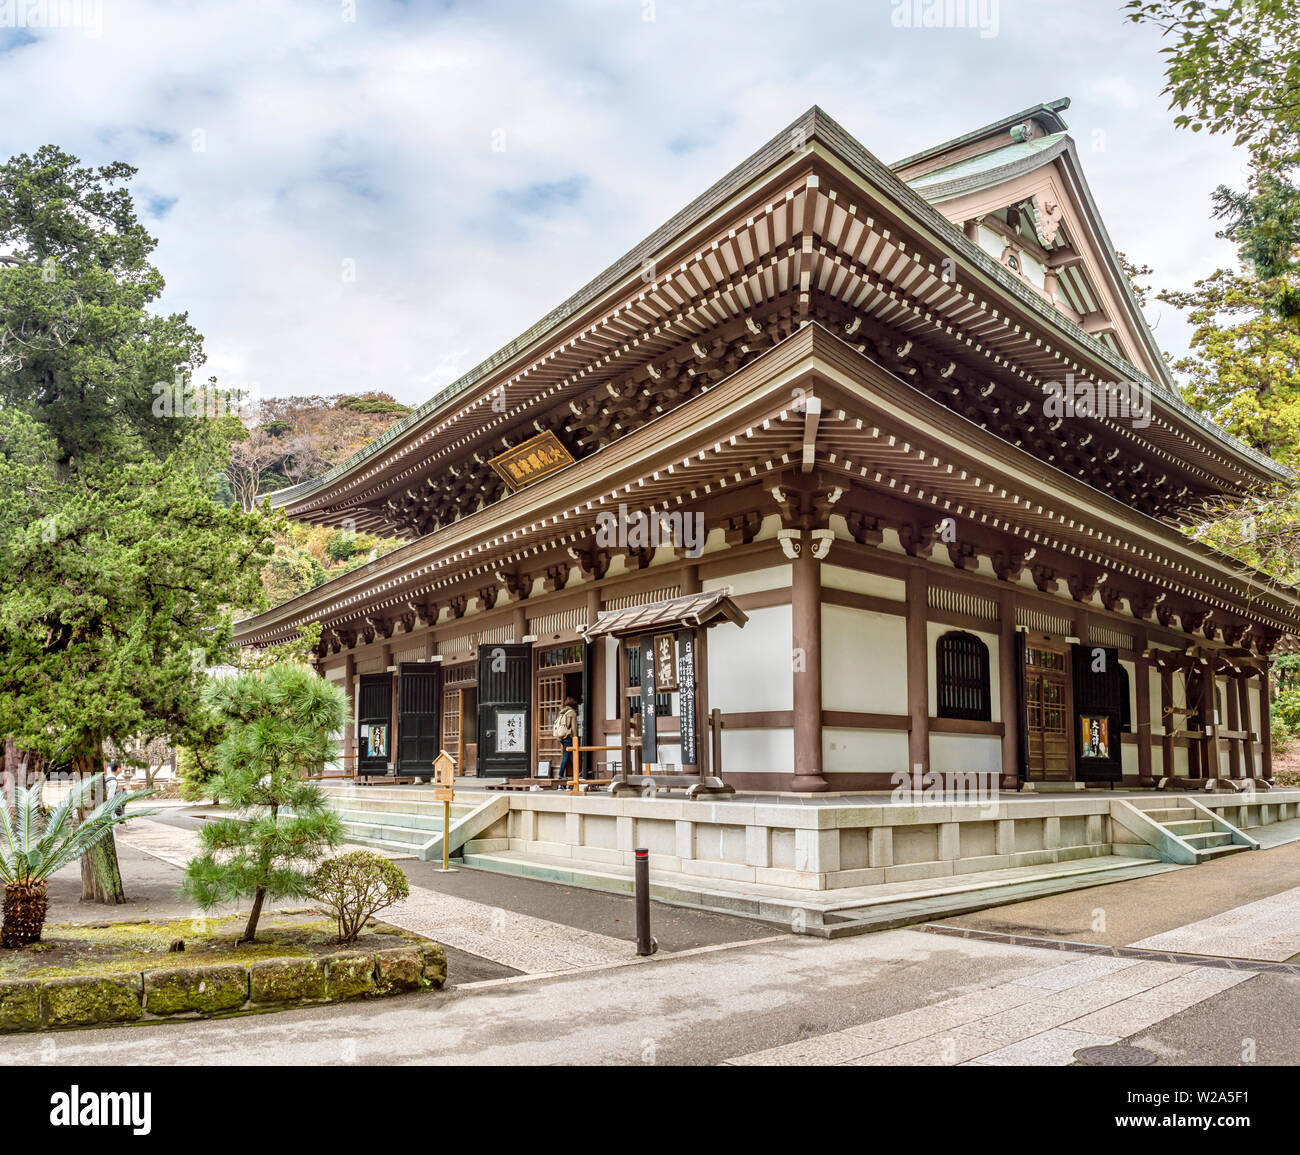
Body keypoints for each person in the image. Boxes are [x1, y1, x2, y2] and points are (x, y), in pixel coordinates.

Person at [553, 695, 581, 781]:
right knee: (567, 755)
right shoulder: (572, 713)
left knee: (572, 755)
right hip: (568, 737)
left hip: (562, 737)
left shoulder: (563, 712)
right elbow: (574, 727)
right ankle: (561, 774)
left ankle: (578, 771)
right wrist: (575, 738)